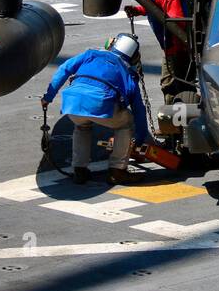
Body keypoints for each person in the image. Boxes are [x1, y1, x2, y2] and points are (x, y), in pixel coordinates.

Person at [41, 34, 149, 186]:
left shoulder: (90, 54)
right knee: (126, 123)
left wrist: (48, 97)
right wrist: (140, 138)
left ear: (110, 45)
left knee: (82, 126)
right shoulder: (128, 73)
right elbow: (138, 109)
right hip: (101, 104)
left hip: (72, 104)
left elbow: (64, 68)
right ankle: (117, 170)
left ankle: (79, 169)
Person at [122, 0, 191, 102]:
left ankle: (175, 119)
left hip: (178, 47)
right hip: (171, 45)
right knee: (178, 84)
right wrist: (139, 10)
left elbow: (177, 23)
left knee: (172, 85)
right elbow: (157, 6)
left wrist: (172, 51)